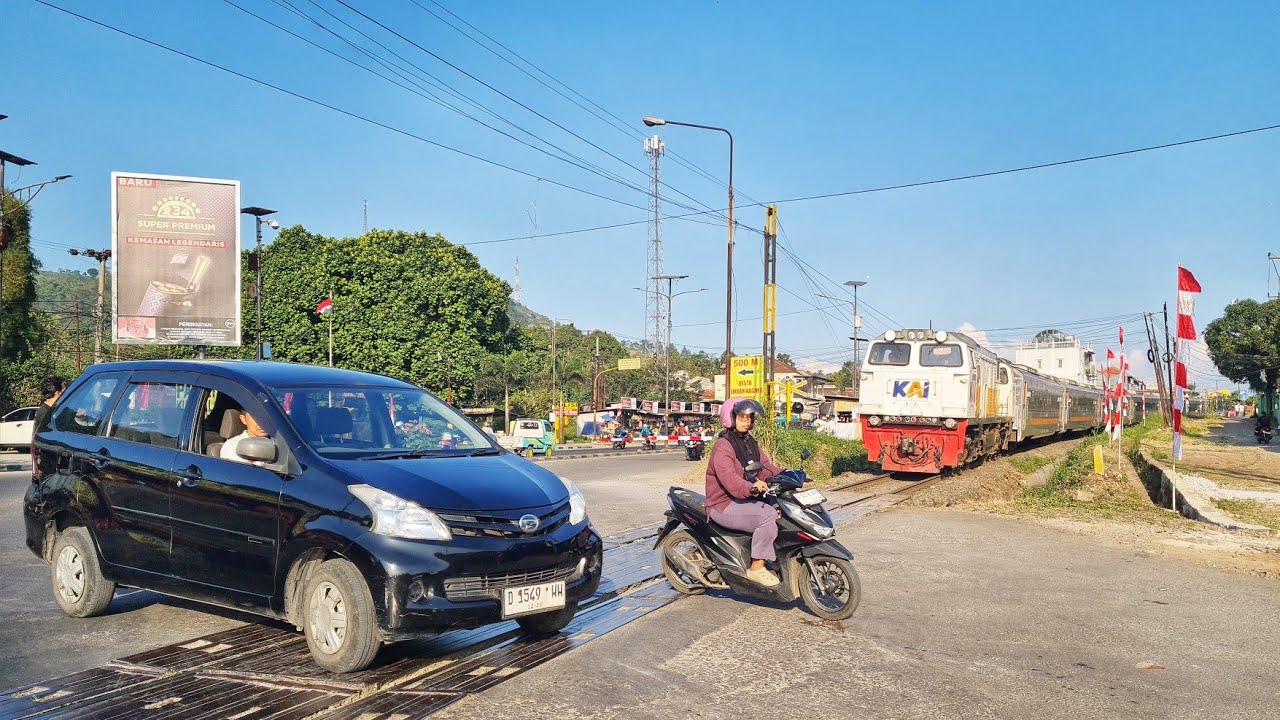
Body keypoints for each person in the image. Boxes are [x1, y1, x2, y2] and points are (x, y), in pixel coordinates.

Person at [705, 397, 783, 586]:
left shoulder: (750, 442)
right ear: (730, 418)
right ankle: (756, 568)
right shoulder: (723, 446)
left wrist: (790, 475)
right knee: (767, 516)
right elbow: (730, 479)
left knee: (782, 510)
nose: (746, 421)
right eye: (741, 417)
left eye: (749, 417)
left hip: (742, 499)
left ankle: (770, 557)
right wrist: (751, 487)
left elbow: (765, 467)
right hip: (723, 504)